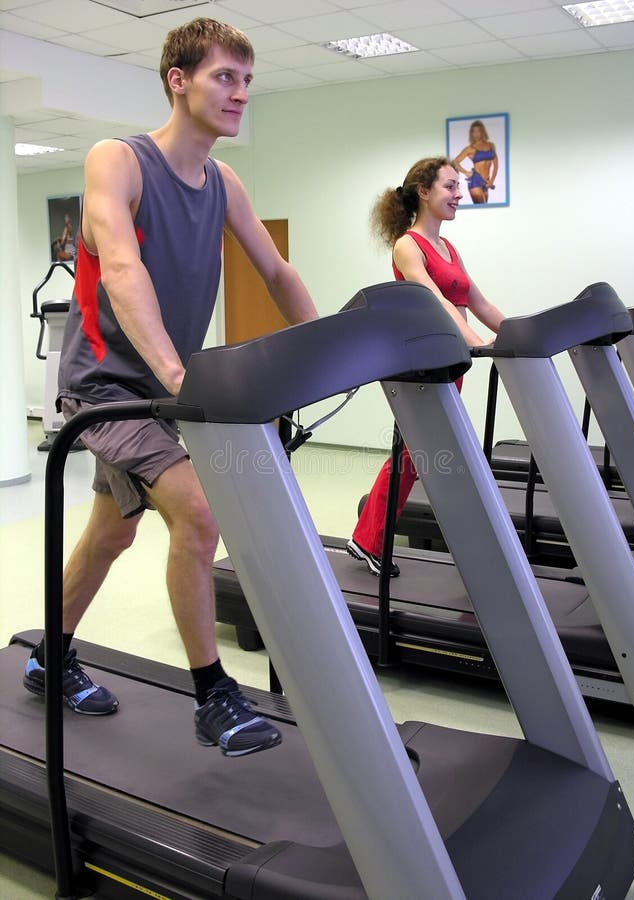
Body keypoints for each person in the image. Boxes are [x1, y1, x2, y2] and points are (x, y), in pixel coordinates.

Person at [23, 18, 318, 758]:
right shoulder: (117, 162)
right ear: (177, 80)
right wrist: (182, 379)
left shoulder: (223, 181)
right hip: (106, 387)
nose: (241, 93)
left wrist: (329, 352)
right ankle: (213, 697)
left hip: (164, 388)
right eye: (225, 77)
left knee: (111, 533)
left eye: (248, 80)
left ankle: (48, 658)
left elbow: (276, 271)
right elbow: (121, 271)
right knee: (199, 515)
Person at [346, 157, 504, 576]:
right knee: (413, 455)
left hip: (451, 365)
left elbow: (477, 302)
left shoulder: (449, 248)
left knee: (425, 454)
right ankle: (368, 540)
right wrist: (477, 342)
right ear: (424, 191)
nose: (458, 195)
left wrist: (519, 334)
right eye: (451, 187)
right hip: (422, 367)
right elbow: (434, 298)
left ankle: (370, 539)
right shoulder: (407, 245)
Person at [453, 120, 498, 204]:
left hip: (487, 182)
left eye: (479, 131)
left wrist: (491, 181)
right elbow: (455, 162)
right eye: (474, 131)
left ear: (482, 132)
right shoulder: (470, 148)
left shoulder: (491, 145)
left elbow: (495, 166)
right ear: (471, 133)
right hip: (475, 180)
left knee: (485, 208)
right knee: (481, 207)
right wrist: (466, 172)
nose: (476, 134)